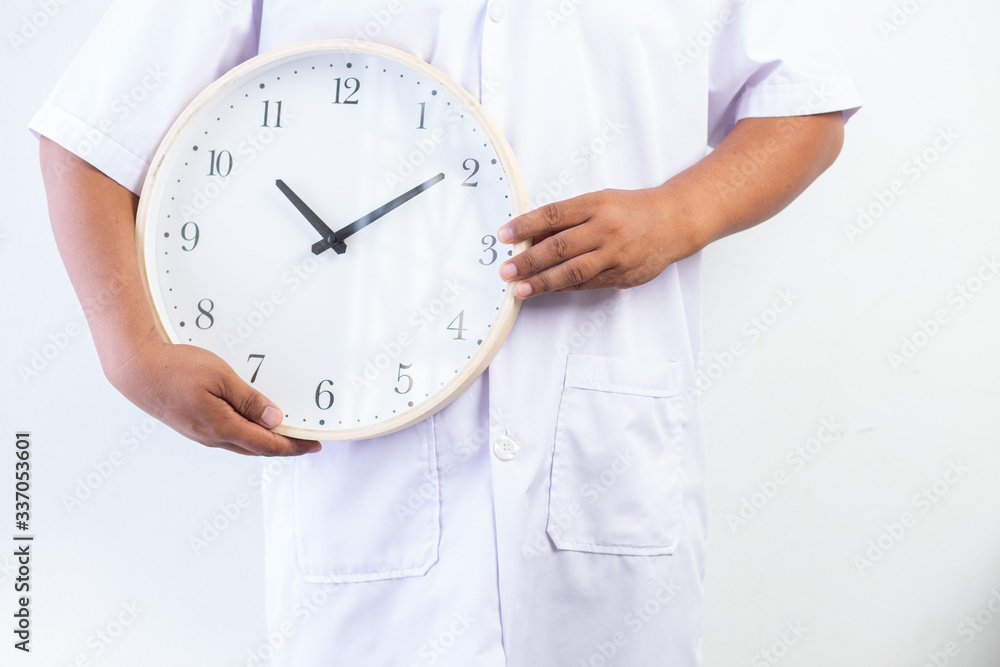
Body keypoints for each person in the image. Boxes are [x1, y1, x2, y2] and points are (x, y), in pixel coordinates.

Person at [32, 1, 861, 664]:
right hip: (366, 506)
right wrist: (132, 351)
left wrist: (677, 216)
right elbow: (90, 135)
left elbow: (806, 104)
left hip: (603, 490)